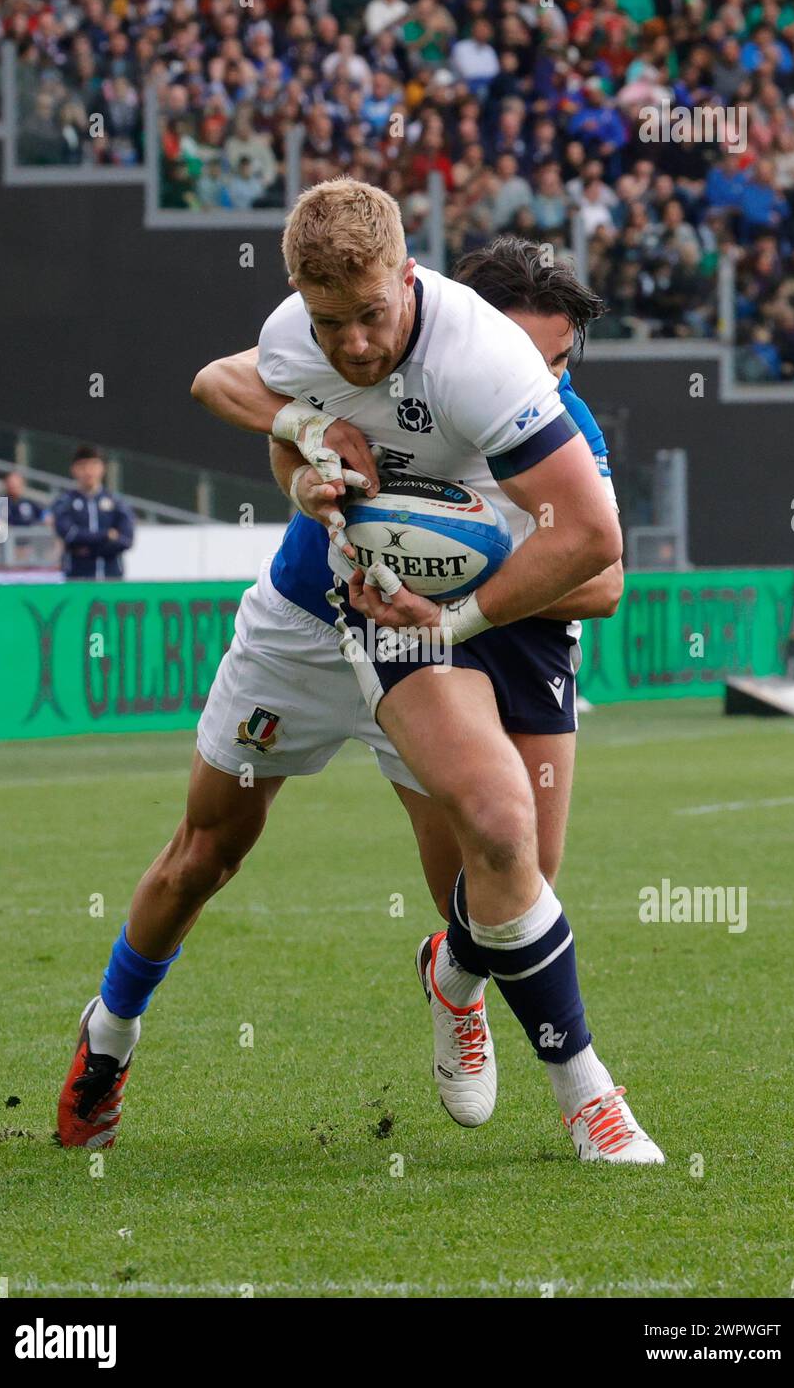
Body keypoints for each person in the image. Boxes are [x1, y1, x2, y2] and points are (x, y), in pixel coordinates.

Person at [56, 181, 661, 1165]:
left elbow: (597, 560)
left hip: (426, 629)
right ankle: (108, 1037)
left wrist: (454, 609)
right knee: (203, 852)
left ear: (410, 283)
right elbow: (225, 386)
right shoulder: (309, 331)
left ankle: (536, 1052)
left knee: (507, 857)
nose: (355, 347)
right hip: (309, 615)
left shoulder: (499, 377)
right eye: (331, 323)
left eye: (371, 318)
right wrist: (302, 435)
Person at [52, 445, 135, 580]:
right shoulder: (64, 502)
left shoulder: (117, 502)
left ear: (103, 468)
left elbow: (126, 540)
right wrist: (106, 535)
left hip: (112, 579)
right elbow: (69, 535)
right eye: (82, 466)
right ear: (73, 469)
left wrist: (88, 550)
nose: (88, 471)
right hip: (77, 580)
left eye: (94, 465)